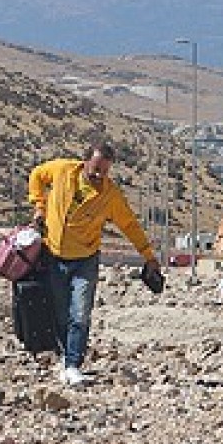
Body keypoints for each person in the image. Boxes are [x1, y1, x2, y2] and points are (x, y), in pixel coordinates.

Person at [29, 143, 160, 386]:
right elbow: (36, 175)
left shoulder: (110, 196)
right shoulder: (63, 171)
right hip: (54, 255)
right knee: (60, 311)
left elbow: (129, 225)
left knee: (80, 312)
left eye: (105, 171)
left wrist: (148, 256)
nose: (100, 176)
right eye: (96, 169)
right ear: (85, 161)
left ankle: (73, 364)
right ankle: (64, 358)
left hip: (85, 260)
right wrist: (39, 205)